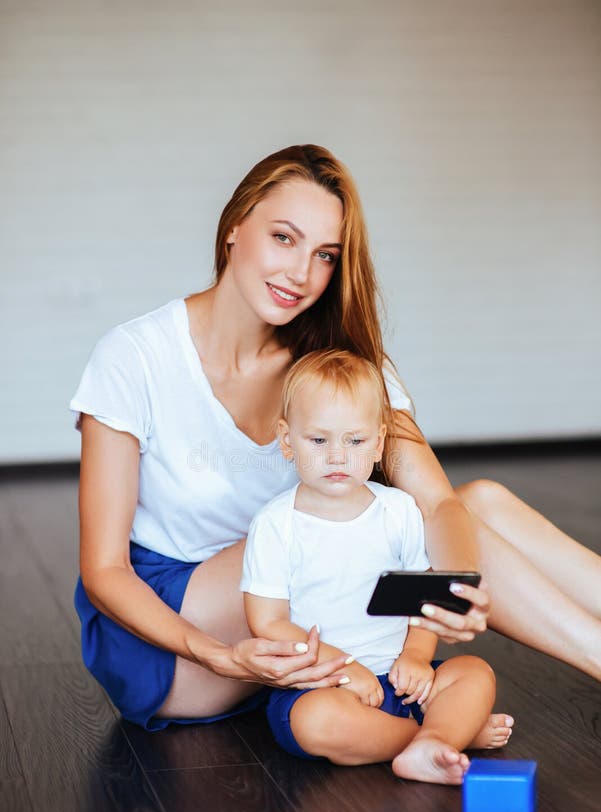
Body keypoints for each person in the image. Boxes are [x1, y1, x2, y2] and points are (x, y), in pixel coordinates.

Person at [71, 144, 601, 733]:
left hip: (302, 619)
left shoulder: (336, 366)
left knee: (479, 503)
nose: (301, 274)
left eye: (325, 254)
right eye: (283, 238)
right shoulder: (136, 356)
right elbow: (104, 570)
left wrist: (453, 593)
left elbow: (442, 503)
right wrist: (215, 654)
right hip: (174, 643)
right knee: (356, 529)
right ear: (234, 229)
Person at [242, 349, 513, 783]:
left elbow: (421, 599)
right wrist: (342, 668)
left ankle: (433, 736)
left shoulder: (398, 510)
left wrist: (417, 657)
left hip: (403, 681)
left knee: (474, 673)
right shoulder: (276, 524)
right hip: (325, 686)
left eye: (355, 440)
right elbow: (269, 622)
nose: (337, 456)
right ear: (287, 440)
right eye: (318, 440)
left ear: (380, 441)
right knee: (317, 723)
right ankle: (436, 737)